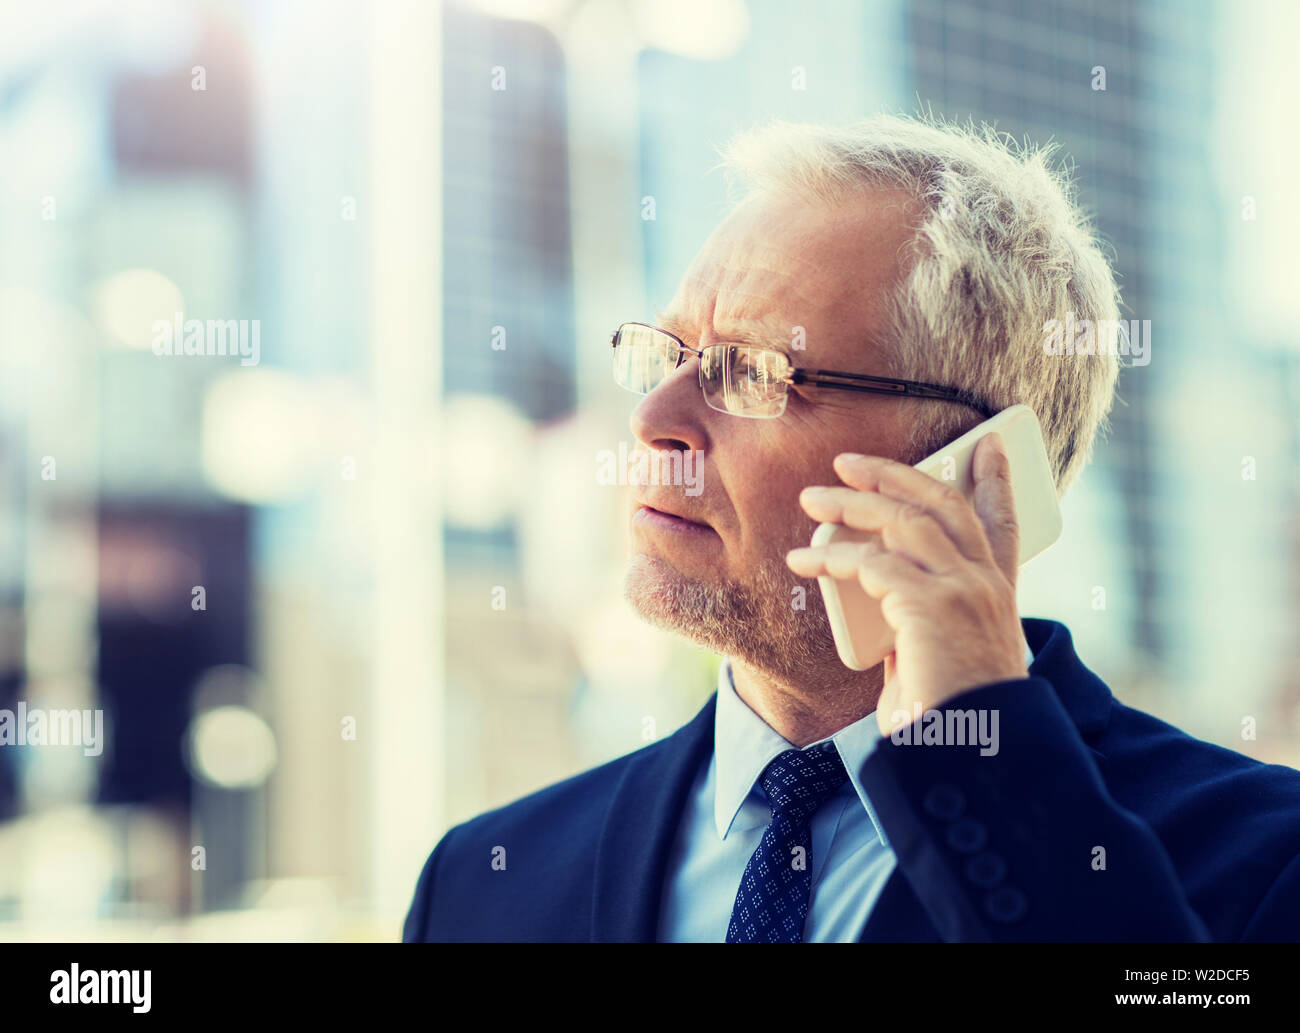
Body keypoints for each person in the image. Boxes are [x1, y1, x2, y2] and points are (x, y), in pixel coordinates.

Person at [402, 114, 1300, 942]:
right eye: (667, 353)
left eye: (748, 371)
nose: (652, 418)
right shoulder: (481, 884)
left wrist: (987, 758)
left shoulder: (1261, 864)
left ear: (971, 461)